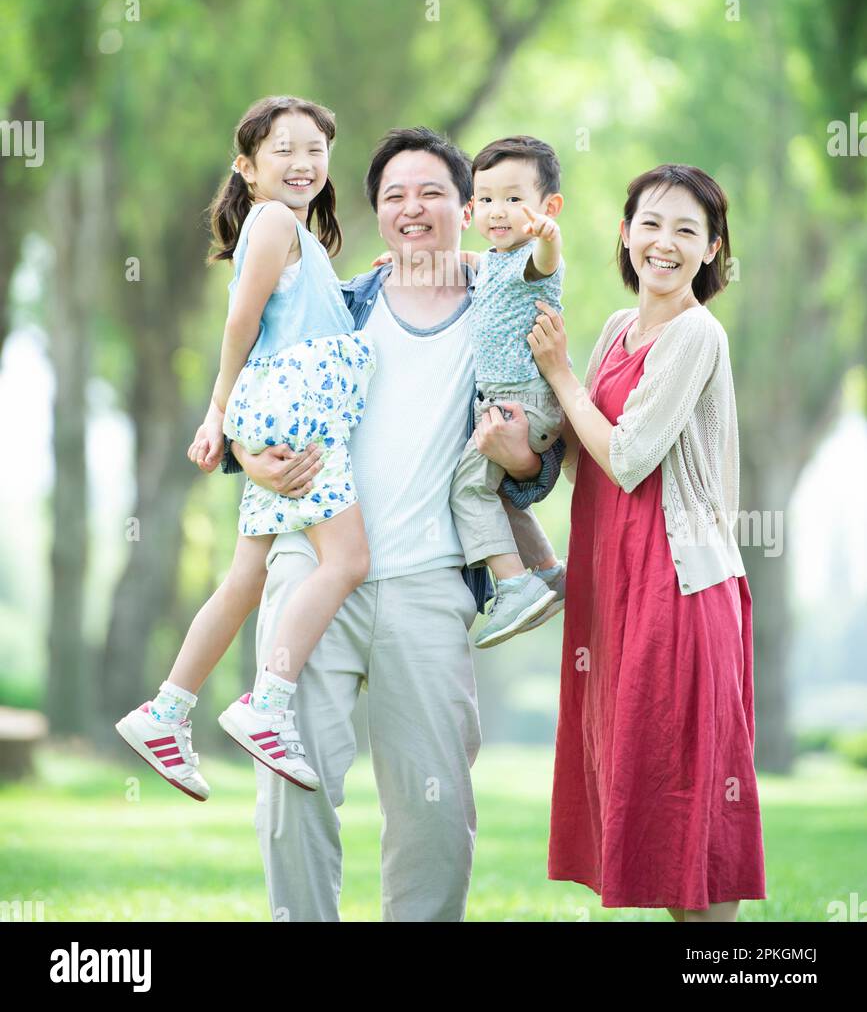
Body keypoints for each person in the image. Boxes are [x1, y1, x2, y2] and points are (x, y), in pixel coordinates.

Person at [225, 126, 566, 921]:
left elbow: (541, 449)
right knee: (289, 788)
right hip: (312, 576)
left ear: (467, 205)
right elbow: (261, 390)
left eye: (432, 193)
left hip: (429, 590)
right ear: (378, 211)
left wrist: (523, 459)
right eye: (393, 197)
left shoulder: (505, 303)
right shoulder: (341, 304)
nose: (412, 210)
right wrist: (245, 445)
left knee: (434, 812)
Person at [115, 95, 376, 799]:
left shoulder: (299, 235)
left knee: (246, 578)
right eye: (283, 149)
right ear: (248, 168)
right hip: (293, 407)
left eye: (315, 148)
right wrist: (222, 412)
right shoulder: (269, 221)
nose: (302, 162)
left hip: (283, 406)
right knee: (347, 559)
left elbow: (292, 316)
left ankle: (166, 710)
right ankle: (269, 701)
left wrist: (226, 416)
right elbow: (242, 320)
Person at [531, 163, 766, 922]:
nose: (663, 243)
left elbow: (628, 458)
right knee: (656, 819)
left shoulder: (696, 333)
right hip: (615, 593)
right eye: (650, 224)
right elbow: (583, 462)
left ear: (710, 250)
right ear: (624, 235)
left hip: (678, 590)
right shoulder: (613, 331)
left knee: (688, 823)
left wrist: (561, 376)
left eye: (686, 231)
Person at [448, 136, 569, 647]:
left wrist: (548, 236)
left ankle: (514, 584)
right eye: (487, 199)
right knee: (498, 492)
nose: (499, 212)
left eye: (514, 199)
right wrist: (406, 261)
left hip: (520, 405)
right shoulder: (496, 259)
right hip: (516, 403)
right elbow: (479, 264)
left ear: (547, 207)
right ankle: (547, 572)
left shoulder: (532, 260)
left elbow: (544, 259)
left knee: (466, 489)